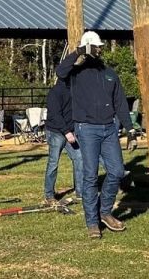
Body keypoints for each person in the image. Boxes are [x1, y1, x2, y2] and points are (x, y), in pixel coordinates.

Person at [57, 30, 129, 238]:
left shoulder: (109, 73)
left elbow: (120, 102)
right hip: (87, 128)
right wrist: (78, 52)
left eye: (100, 47)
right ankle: (92, 223)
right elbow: (60, 72)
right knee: (90, 175)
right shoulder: (75, 73)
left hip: (109, 128)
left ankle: (104, 211)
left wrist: (130, 128)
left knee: (116, 171)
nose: (99, 50)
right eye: (96, 46)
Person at [41, 33, 88, 206]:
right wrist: (67, 132)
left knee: (80, 159)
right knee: (53, 162)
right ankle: (48, 194)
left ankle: (81, 192)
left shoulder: (75, 89)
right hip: (56, 131)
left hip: (70, 130)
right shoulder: (56, 92)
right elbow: (55, 115)